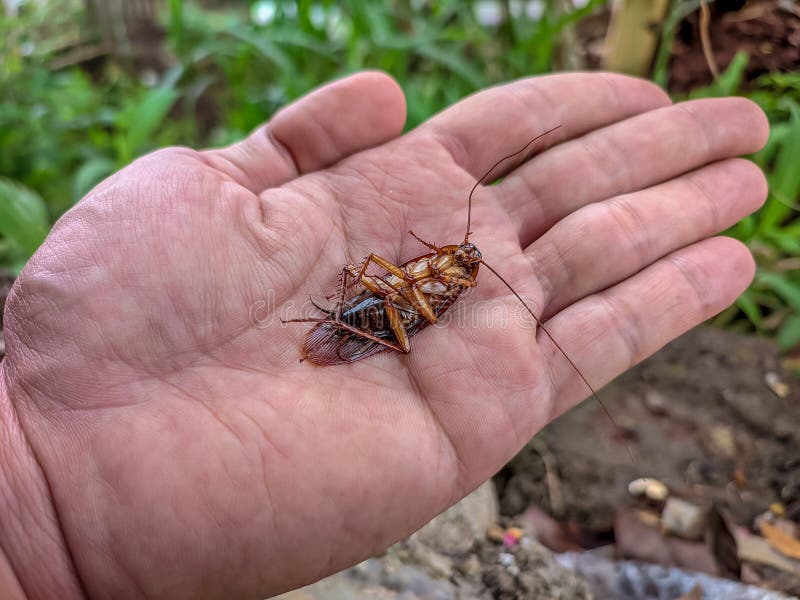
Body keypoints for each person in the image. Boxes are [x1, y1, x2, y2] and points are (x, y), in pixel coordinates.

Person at [0, 71, 767, 599]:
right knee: (391, 294)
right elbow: (413, 276)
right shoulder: (442, 268)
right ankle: (349, 319)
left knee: (398, 302)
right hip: (382, 308)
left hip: (389, 315)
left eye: (461, 264)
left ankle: (350, 320)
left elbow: (423, 295)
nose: (460, 262)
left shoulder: (447, 282)